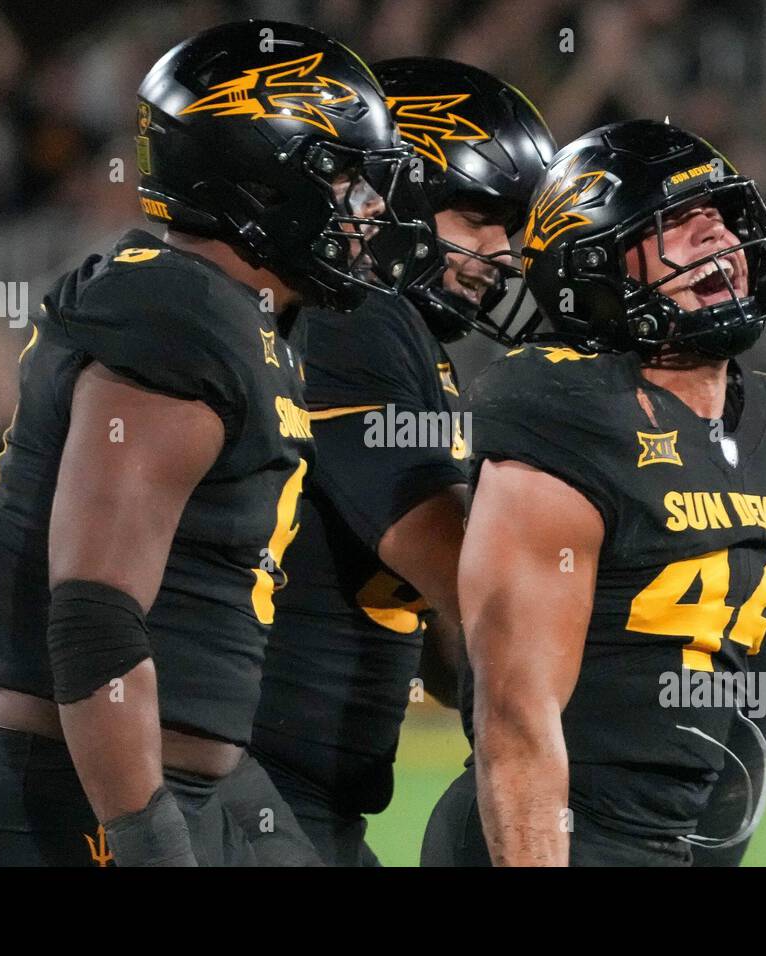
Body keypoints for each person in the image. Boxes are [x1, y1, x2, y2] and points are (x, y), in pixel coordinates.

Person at [0, 19, 434, 867]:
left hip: (189, 786)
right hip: (76, 802)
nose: (369, 206)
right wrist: (149, 841)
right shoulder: (177, 316)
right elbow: (93, 616)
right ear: (261, 180)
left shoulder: (239, 316)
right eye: (343, 176)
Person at [421, 119, 766, 866]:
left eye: (719, 215)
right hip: (553, 835)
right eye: (676, 223)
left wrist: (718, 833)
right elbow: (515, 720)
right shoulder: (566, 416)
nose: (717, 237)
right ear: (596, 269)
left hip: (663, 843)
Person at [227, 58, 554, 866]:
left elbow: (451, 656)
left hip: (293, 798)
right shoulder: (356, 318)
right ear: (400, 196)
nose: (501, 251)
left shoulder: (397, 337)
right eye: (479, 217)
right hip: (252, 789)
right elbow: (472, 592)